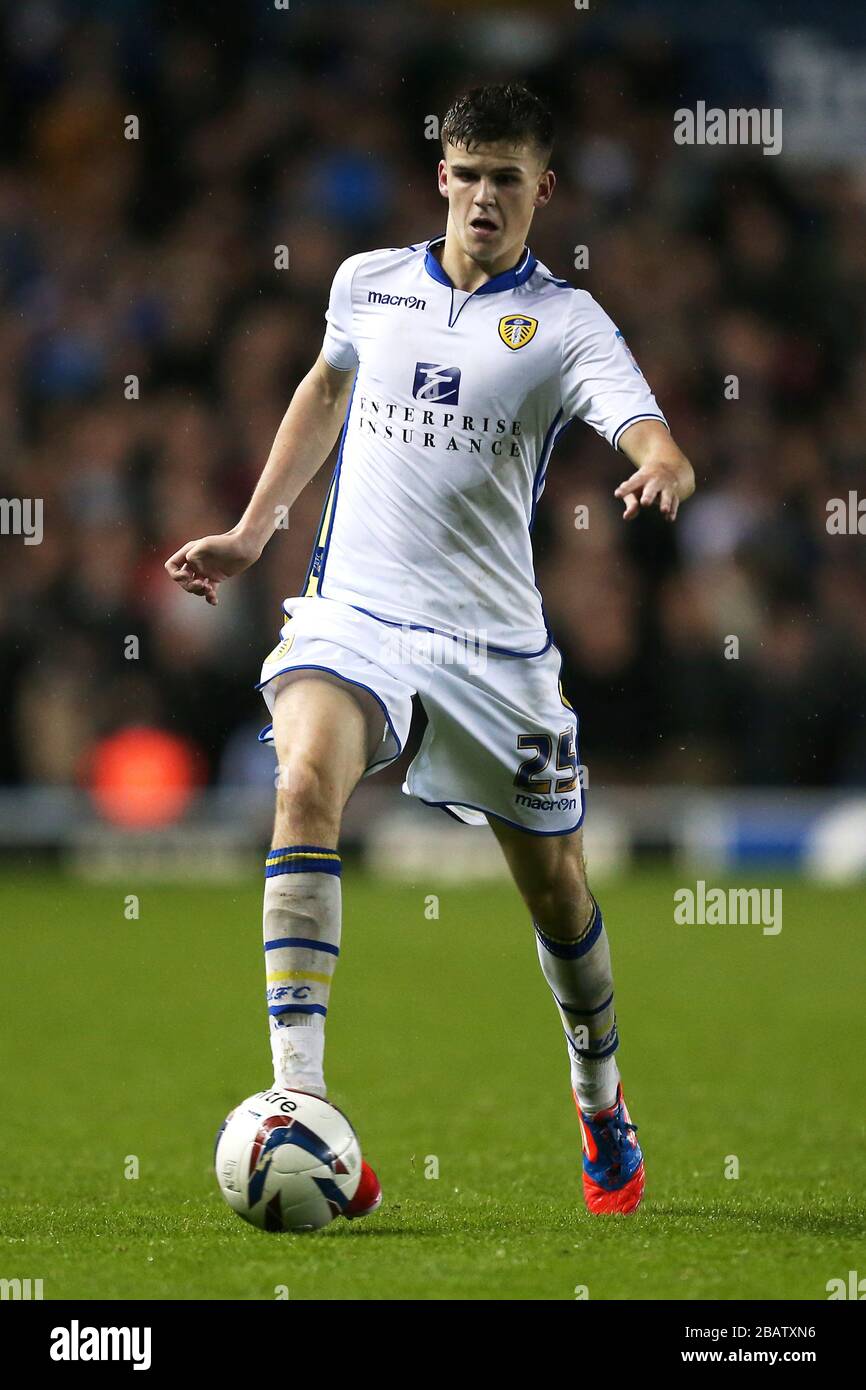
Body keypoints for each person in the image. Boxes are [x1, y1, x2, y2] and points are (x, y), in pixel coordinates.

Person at [166, 82, 695, 1217]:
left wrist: (663, 463)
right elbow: (323, 388)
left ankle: (598, 1099)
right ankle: (296, 1096)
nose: (485, 197)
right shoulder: (367, 284)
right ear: (440, 176)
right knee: (303, 777)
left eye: (509, 178)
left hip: (495, 654)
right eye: (468, 173)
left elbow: (640, 424)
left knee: (556, 895)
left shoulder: (566, 323)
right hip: (352, 615)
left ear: (540, 190)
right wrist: (255, 531)